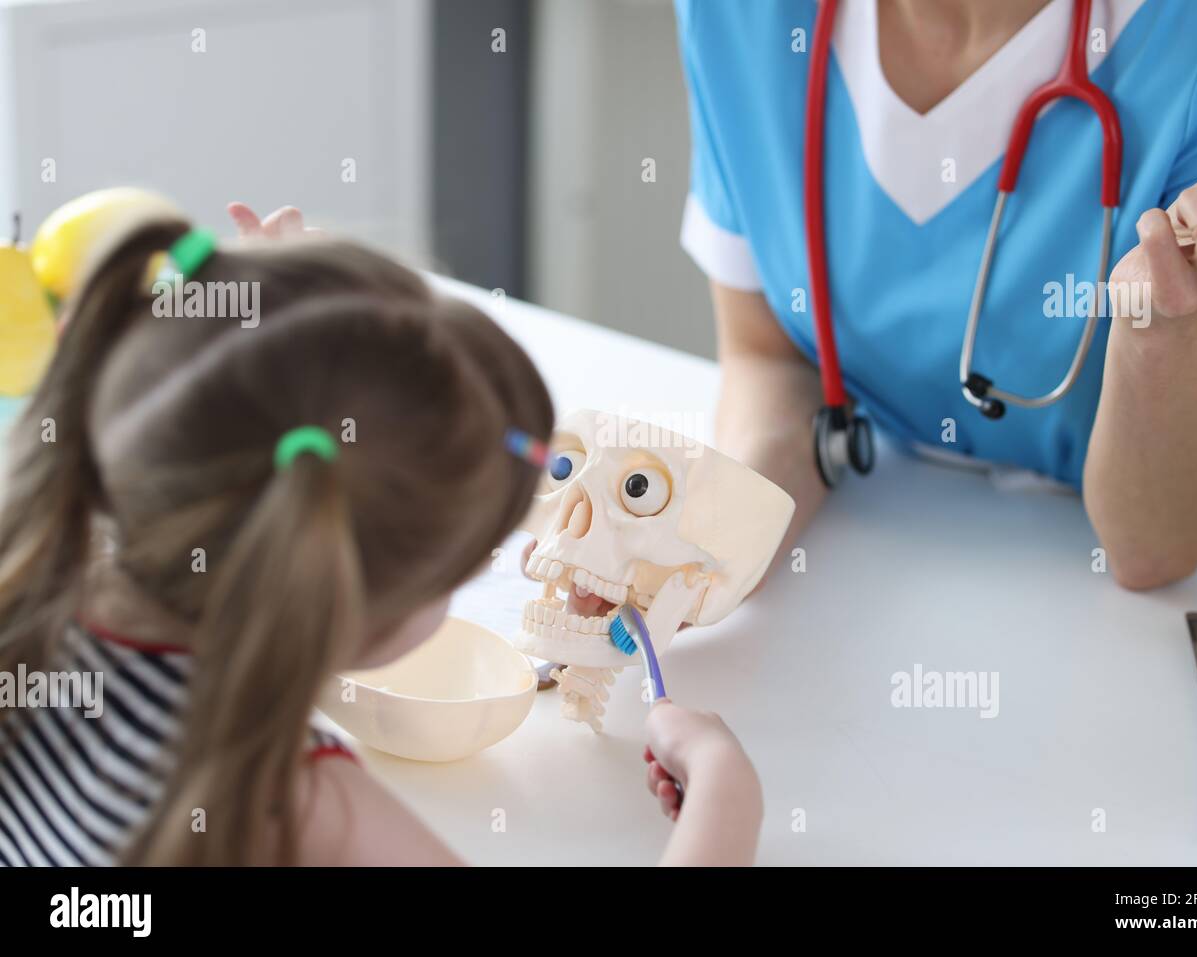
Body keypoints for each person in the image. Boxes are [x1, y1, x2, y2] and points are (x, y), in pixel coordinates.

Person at [0, 211, 762, 866]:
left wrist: (280, 341)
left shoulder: (30, 586)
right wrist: (723, 802)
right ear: (340, 584)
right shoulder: (302, 807)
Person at [675, 0, 1197, 589]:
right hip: (885, 550)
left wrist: (1160, 321)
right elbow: (772, 362)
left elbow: (1157, 549)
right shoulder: (741, 17)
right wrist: (695, 553)